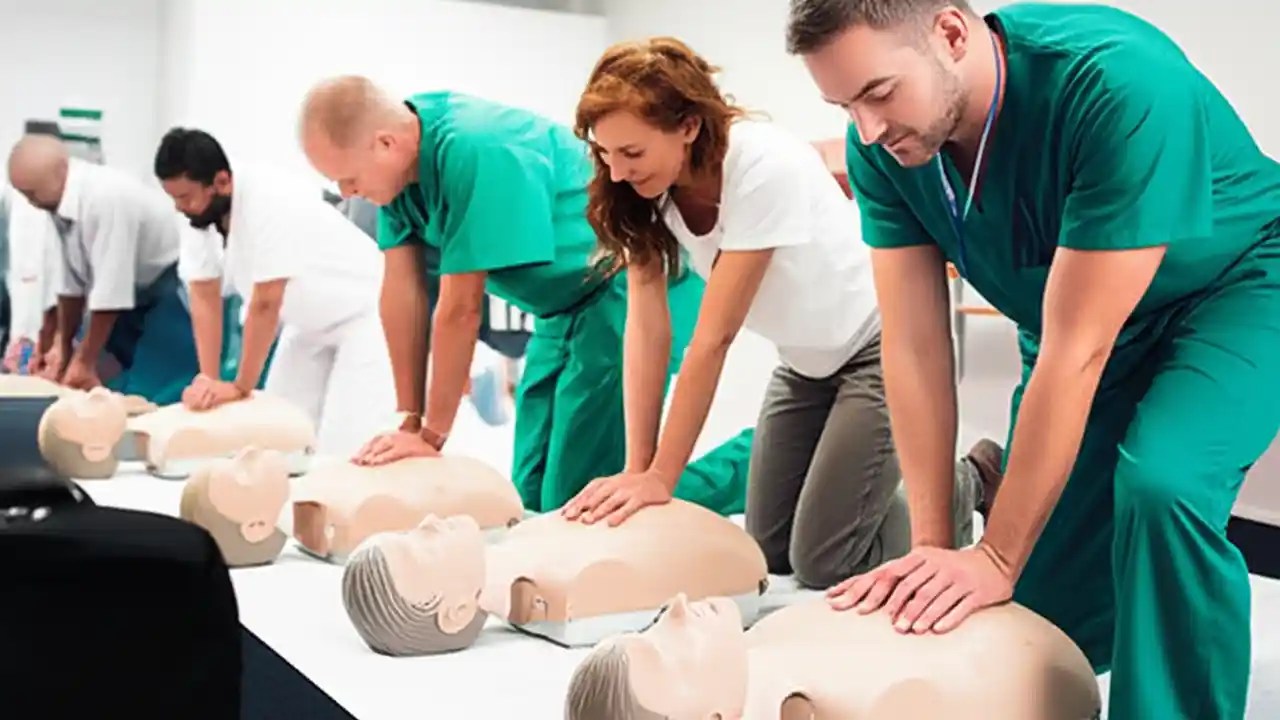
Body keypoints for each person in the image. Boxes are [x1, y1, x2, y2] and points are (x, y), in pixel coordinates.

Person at [787, 1, 1280, 718]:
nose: (867, 129)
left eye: (880, 93)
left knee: (1162, 483)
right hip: (1076, 324)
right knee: (1030, 599)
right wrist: (936, 545)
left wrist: (994, 556)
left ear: (951, 33)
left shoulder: (1117, 83)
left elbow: (1078, 351)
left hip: (1238, 284)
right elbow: (915, 346)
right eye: (844, 107)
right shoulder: (882, 152)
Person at [559, 37, 1003, 588]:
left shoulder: (762, 163)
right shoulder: (646, 191)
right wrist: (636, 468)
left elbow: (713, 339)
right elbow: (648, 333)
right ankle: (879, 495)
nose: (617, 173)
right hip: (804, 364)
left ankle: (971, 479)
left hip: (879, 347)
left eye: (631, 153)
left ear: (689, 126)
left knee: (825, 562)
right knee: (769, 552)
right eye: (605, 154)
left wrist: (661, 479)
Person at [295, 77, 748, 515]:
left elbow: (460, 309)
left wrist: (431, 436)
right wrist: (409, 419)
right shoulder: (395, 177)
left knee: (577, 501)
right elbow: (403, 294)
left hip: (623, 292)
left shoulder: (473, 147)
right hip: (559, 310)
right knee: (528, 494)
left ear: (385, 144)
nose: (346, 193)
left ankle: (756, 464)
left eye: (348, 178)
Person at [154, 127, 395, 456]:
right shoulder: (197, 213)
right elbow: (204, 295)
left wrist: (240, 387)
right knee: (280, 436)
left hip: (368, 315)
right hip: (307, 323)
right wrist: (209, 381)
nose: (179, 207)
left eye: (184, 198)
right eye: (174, 198)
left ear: (221, 182)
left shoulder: (270, 198)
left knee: (345, 444)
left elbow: (266, 303)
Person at [6, 134, 197, 402]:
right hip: (128, 296)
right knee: (102, 382)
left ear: (60, 172)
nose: (30, 203)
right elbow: (70, 286)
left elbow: (110, 292)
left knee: (153, 392)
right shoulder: (57, 203)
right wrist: (63, 347)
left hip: (165, 289)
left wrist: (84, 361)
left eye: (32, 194)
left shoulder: (105, 198)